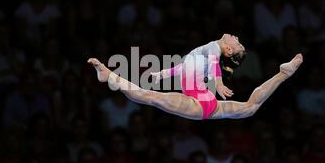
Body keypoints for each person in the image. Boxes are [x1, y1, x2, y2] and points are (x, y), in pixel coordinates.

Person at [88, 34, 303, 120]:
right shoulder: (206, 49)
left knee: (149, 97)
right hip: (205, 102)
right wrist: (163, 74)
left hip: (197, 102)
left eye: (237, 43)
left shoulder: (214, 49)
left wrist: (218, 82)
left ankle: (108, 76)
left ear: (228, 50)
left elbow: (213, 65)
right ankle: (283, 74)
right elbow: (184, 67)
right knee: (250, 108)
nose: (236, 37)